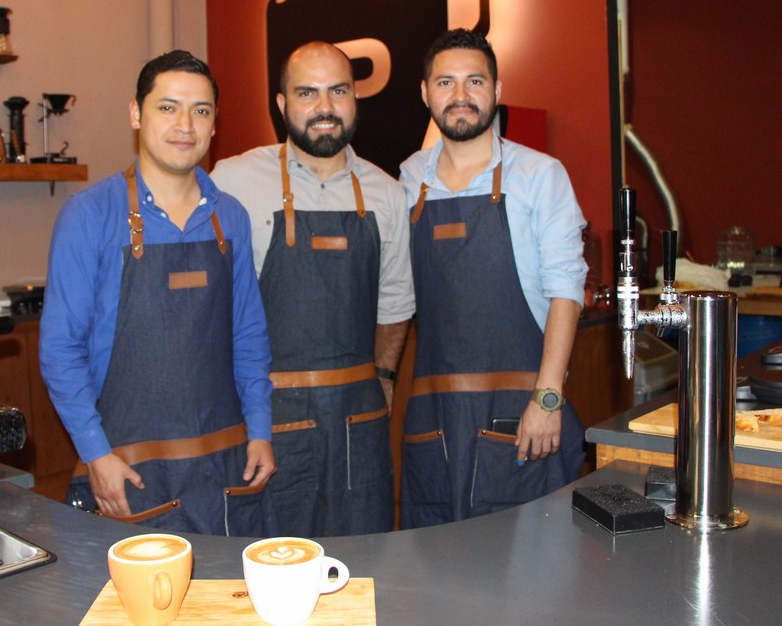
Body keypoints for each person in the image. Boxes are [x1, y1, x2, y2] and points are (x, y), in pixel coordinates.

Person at [39, 50, 277, 536]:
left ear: (214, 123)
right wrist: (95, 454)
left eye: (201, 110)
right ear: (136, 114)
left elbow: (249, 336)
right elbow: (61, 350)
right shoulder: (89, 215)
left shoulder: (229, 216)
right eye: (167, 107)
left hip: (225, 467)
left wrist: (260, 429)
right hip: (127, 472)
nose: (184, 124)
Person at [211, 41, 415, 536]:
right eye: (307, 93)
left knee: (365, 565)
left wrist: (384, 376)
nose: (324, 108)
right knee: (269, 563)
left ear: (354, 99)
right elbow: (208, 307)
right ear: (282, 105)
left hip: (358, 420)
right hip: (265, 416)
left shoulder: (387, 192)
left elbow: (394, 301)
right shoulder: (232, 180)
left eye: (337, 91)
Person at [398, 29, 587, 529]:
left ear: (497, 90)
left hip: (523, 412)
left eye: (474, 81)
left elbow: (566, 290)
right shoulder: (408, 179)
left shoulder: (539, 175)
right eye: (445, 83)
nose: (460, 96)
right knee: (437, 580)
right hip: (434, 418)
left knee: (532, 581)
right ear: (425, 93)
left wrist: (548, 398)